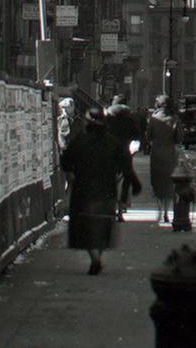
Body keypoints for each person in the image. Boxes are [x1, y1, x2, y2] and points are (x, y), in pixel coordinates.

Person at [60, 106, 140, 275]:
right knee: (102, 226)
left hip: (84, 191)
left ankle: (94, 258)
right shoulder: (111, 142)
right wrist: (135, 182)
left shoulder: (80, 140)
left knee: (85, 227)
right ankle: (98, 256)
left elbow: (66, 162)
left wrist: (73, 169)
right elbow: (125, 164)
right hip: (106, 190)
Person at [147, 96, 182, 223]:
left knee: (157, 183)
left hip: (156, 154)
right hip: (170, 155)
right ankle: (167, 212)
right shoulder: (174, 119)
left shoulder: (153, 118)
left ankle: (159, 211)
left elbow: (148, 136)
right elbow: (179, 138)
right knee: (169, 184)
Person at [105, 94, 139, 219]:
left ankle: (110, 207)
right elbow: (136, 136)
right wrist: (133, 150)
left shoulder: (107, 118)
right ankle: (121, 208)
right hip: (125, 153)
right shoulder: (129, 118)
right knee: (125, 181)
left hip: (109, 153)